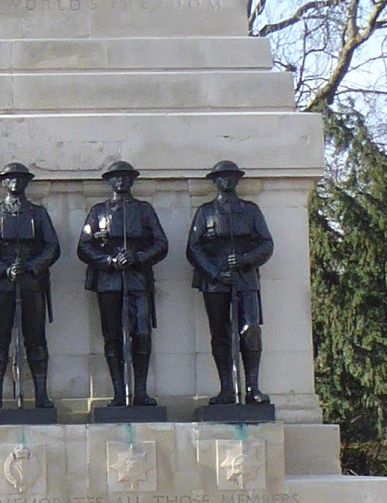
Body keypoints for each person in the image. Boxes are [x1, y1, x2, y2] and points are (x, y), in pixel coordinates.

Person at [76, 159, 168, 407]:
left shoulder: (144, 209)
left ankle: (140, 391)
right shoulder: (98, 211)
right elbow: (84, 247)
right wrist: (108, 260)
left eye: (125, 177)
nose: (121, 181)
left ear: (132, 180)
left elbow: (161, 244)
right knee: (113, 336)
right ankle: (119, 391)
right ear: (109, 181)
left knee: (141, 333)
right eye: (116, 177)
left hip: (137, 279)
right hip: (108, 281)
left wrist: (137, 257)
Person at [0, 161, 61, 409]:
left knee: (36, 338)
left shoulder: (38, 213)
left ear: (26, 182)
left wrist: (32, 266)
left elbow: (52, 246)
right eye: (10, 178)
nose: (15, 182)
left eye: (20, 178)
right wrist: (3, 269)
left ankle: (41, 394)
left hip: (31, 282)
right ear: (3, 182)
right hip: (2, 283)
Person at [186, 159, 274, 405]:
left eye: (231, 176)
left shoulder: (251, 210)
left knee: (250, 330)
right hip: (215, 281)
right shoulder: (205, 212)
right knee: (221, 334)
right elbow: (194, 248)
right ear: (214, 181)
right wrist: (215, 272)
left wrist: (246, 259)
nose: (226, 180)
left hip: (245, 279)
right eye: (221, 176)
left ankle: (252, 387)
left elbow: (266, 244)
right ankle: (226, 388)